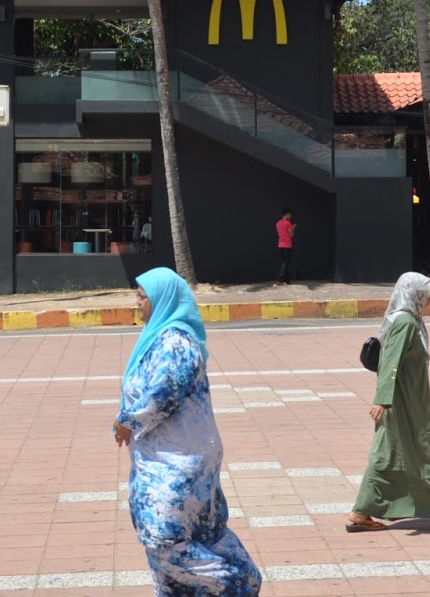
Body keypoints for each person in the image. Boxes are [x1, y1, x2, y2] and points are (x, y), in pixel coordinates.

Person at [113, 268, 261, 596]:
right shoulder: (160, 337)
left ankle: (240, 583)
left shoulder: (176, 341)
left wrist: (127, 420)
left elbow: (164, 392)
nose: (137, 303)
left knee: (162, 540)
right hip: (167, 458)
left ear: (163, 298)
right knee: (191, 546)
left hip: (177, 466)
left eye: (142, 296)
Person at [347, 272, 430, 533]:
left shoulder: (405, 320)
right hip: (402, 402)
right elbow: (390, 361)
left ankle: (361, 511)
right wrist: (382, 400)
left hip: (405, 399)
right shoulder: (405, 322)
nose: (428, 300)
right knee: (418, 454)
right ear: (413, 294)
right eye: (425, 295)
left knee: (389, 455)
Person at [275, 208, 296, 285]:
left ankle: (287, 281)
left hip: (280, 245)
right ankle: (280, 279)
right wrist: (293, 229)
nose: (290, 216)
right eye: (290, 215)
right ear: (286, 214)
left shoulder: (277, 223)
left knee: (285, 262)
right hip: (287, 245)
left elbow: (279, 234)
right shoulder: (288, 223)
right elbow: (291, 235)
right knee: (286, 263)